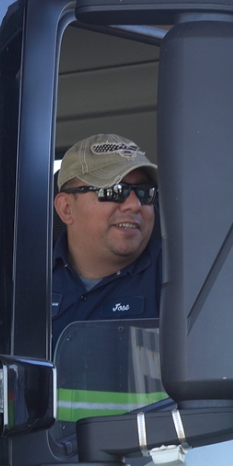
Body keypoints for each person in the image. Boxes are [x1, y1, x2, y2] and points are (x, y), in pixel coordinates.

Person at [51, 134, 160, 345]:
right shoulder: (21, 281)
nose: (134, 205)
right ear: (66, 208)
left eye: (145, 192)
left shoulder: (181, 276)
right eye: (114, 191)